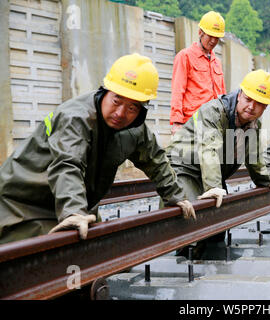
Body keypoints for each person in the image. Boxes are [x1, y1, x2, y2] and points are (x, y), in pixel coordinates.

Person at [0, 53, 195, 245]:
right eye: (116, 101)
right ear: (104, 91)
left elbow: (156, 160)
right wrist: (74, 211)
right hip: (22, 204)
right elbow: (67, 165)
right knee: (46, 261)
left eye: (132, 108)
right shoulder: (75, 118)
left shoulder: (135, 129)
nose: (120, 113)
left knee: (110, 256)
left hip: (70, 205)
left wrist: (176, 196)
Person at [166, 69, 270, 259]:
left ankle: (208, 267)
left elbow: (253, 156)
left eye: (259, 103)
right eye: (249, 99)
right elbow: (209, 150)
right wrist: (214, 188)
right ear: (240, 95)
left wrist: (265, 183)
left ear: (265, 107)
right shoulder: (214, 111)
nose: (252, 106)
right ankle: (183, 266)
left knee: (218, 225)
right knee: (193, 220)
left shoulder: (253, 124)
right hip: (185, 167)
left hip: (209, 171)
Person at [169, 11, 226, 135]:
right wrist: (177, 122)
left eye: (216, 37)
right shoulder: (185, 56)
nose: (213, 41)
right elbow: (178, 90)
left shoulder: (217, 62)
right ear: (200, 32)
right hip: (191, 124)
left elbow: (222, 94)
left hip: (214, 125)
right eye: (210, 36)